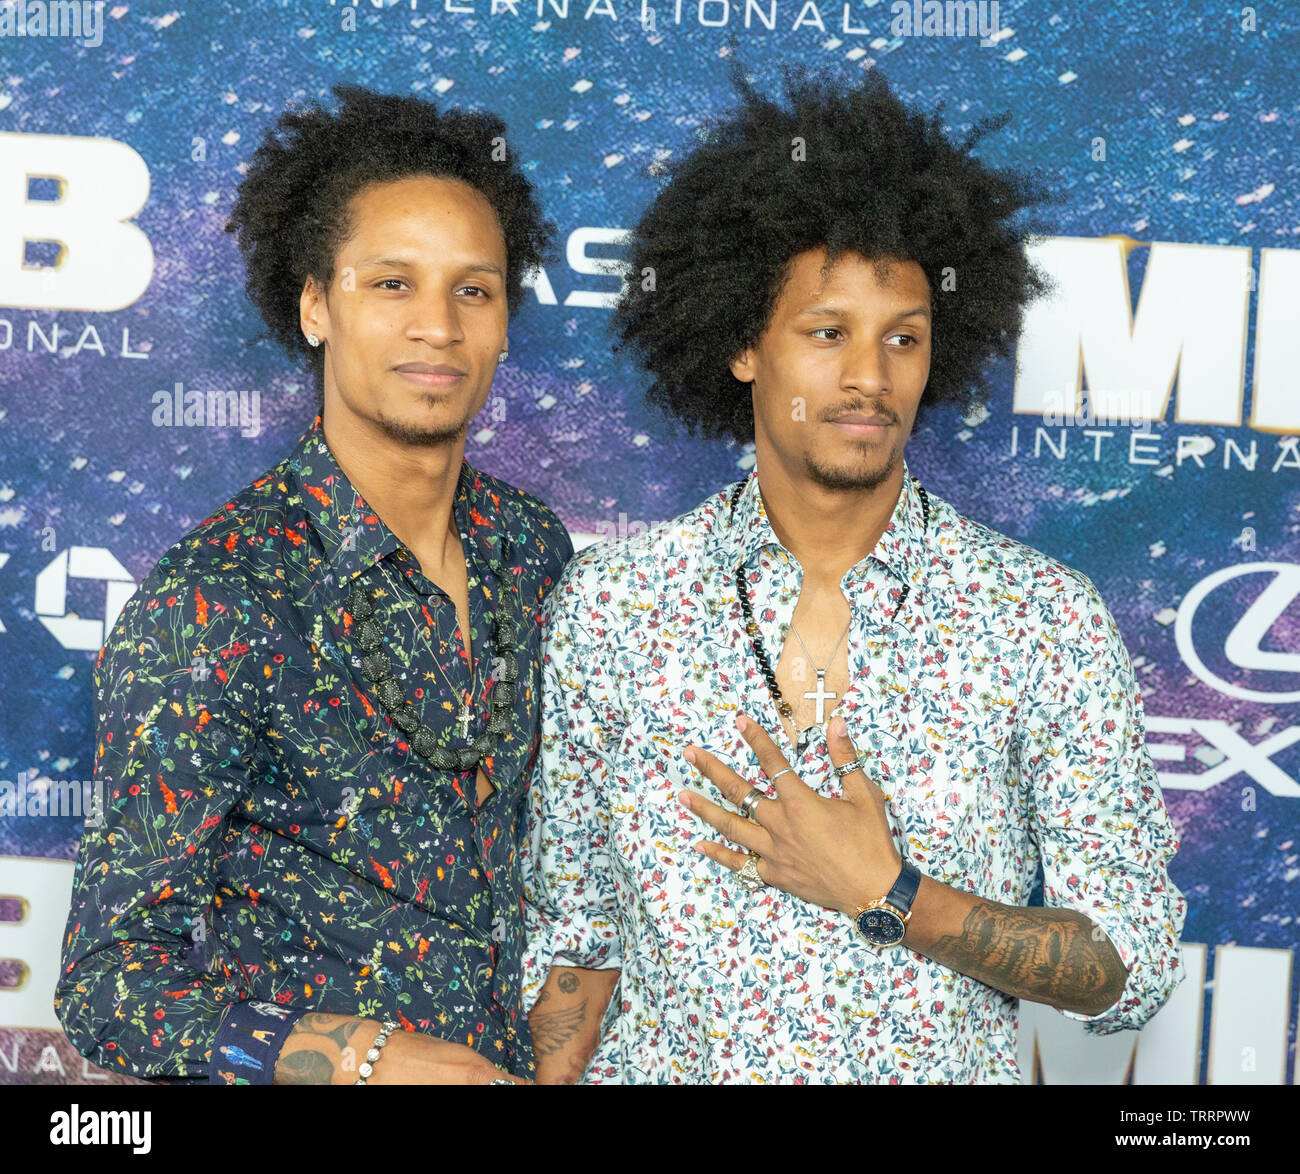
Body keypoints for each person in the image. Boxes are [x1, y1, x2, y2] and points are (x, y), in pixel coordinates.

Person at [521, 62, 1187, 1084]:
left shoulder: (1040, 619)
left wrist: (890, 892)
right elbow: (574, 946)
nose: (869, 377)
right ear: (746, 344)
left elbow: (1127, 967)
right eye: (827, 333)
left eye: (903, 339)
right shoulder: (612, 606)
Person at [54, 85, 572, 1085]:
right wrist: (369, 1057)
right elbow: (111, 987)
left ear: (507, 319)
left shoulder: (530, 548)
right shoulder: (220, 596)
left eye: (474, 289)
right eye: (391, 284)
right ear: (314, 304)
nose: (438, 326)